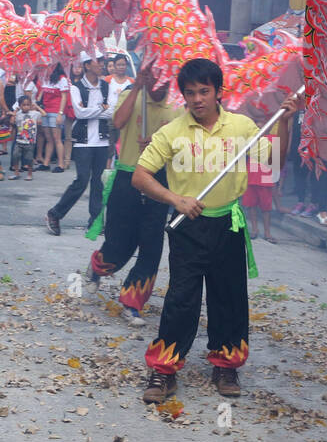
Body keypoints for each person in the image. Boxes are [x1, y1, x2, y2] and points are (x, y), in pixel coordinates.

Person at [133, 58, 297, 402]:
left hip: (228, 225)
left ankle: (226, 365)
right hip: (187, 228)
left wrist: (287, 123)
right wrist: (175, 199)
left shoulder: (241, 127)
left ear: (218, 92)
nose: (197, 99)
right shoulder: (172, 132)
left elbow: (274, 163)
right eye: (190, 93)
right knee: (181, 300)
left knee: (229, 297)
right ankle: (163, 371)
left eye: (204, 91)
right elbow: (141, 176)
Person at [81, 62, 180, 326]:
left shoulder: (179, 106)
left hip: (159, 181)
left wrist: (163, 146)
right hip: (127, 176)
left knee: (151, 247)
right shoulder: (131, 94)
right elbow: (118, 121)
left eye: (164, 80)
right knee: (119, 245)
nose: (159, 85)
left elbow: (185, 146)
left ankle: (132, 303)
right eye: (153, 79)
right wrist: (137, 87)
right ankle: (97, 266)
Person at [46, 52, 112, 234]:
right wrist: (101, 108)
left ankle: (96, 222)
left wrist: (93, 110)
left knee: (99, 182)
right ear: (87, 65)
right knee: (82, 180)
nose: (102, 64)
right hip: (83, 141)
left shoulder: (106, 86)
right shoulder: (75, 88)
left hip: (101, 141)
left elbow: (112, 111)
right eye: (98, 61)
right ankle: (55, 213)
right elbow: (80, 113)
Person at [243, 118, 281, 244]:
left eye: (262, 127)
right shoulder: (249, 140)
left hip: (265, 179)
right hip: (250, 178)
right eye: (257, 128)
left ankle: (267, 232)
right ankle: (254, 230)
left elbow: (275, 164)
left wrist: (276, 183)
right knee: (250, 206)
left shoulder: (273, 141)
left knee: (266, 208)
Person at [38, 62, 67, 171]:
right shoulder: (45, 78)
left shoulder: (62, 79)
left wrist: (60, 113)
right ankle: (46, 163)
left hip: (56, 111)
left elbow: (64, 97)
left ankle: (61, 164)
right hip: (46, 111)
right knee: (48, 138)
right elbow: (42, 94)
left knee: (57, 139)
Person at [9, 93, 41, 180]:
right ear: (20, 106)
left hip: (30, 141)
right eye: (23, 105)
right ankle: (16, 172)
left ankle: (30, 173)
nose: (26, 107)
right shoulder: (18, 114)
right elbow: (12, 122)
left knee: (29, 158)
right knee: (15, 156)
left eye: (28, 105)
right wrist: (15, 111)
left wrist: (37, 107)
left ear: (30, 105)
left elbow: (44, 114)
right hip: (19, 140)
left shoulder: (34, 113)